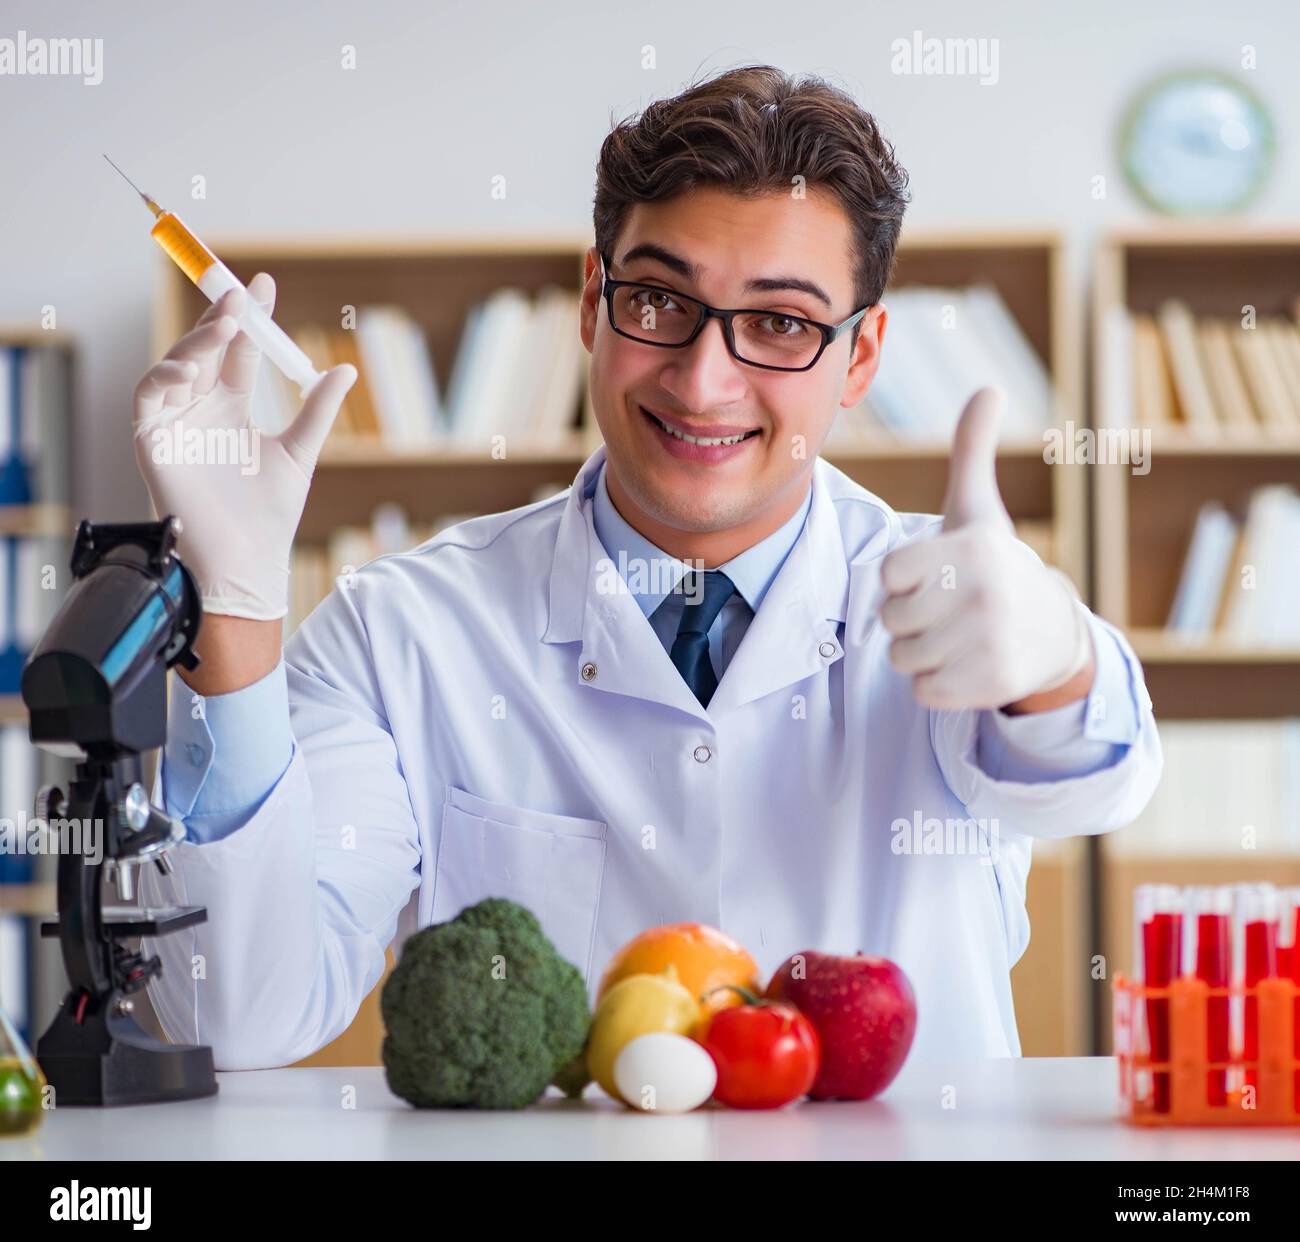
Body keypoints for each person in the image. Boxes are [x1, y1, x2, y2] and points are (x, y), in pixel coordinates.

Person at [136, 65, 1161, 1069]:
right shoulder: (400, 630)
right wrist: (229, 614)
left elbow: (1092, 785)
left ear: (859, 356)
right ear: (593, 301)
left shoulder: (946, 605)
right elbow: (237, 1011)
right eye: (661, 300)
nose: (703, 378)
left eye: (780, 322)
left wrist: (1056, 660)